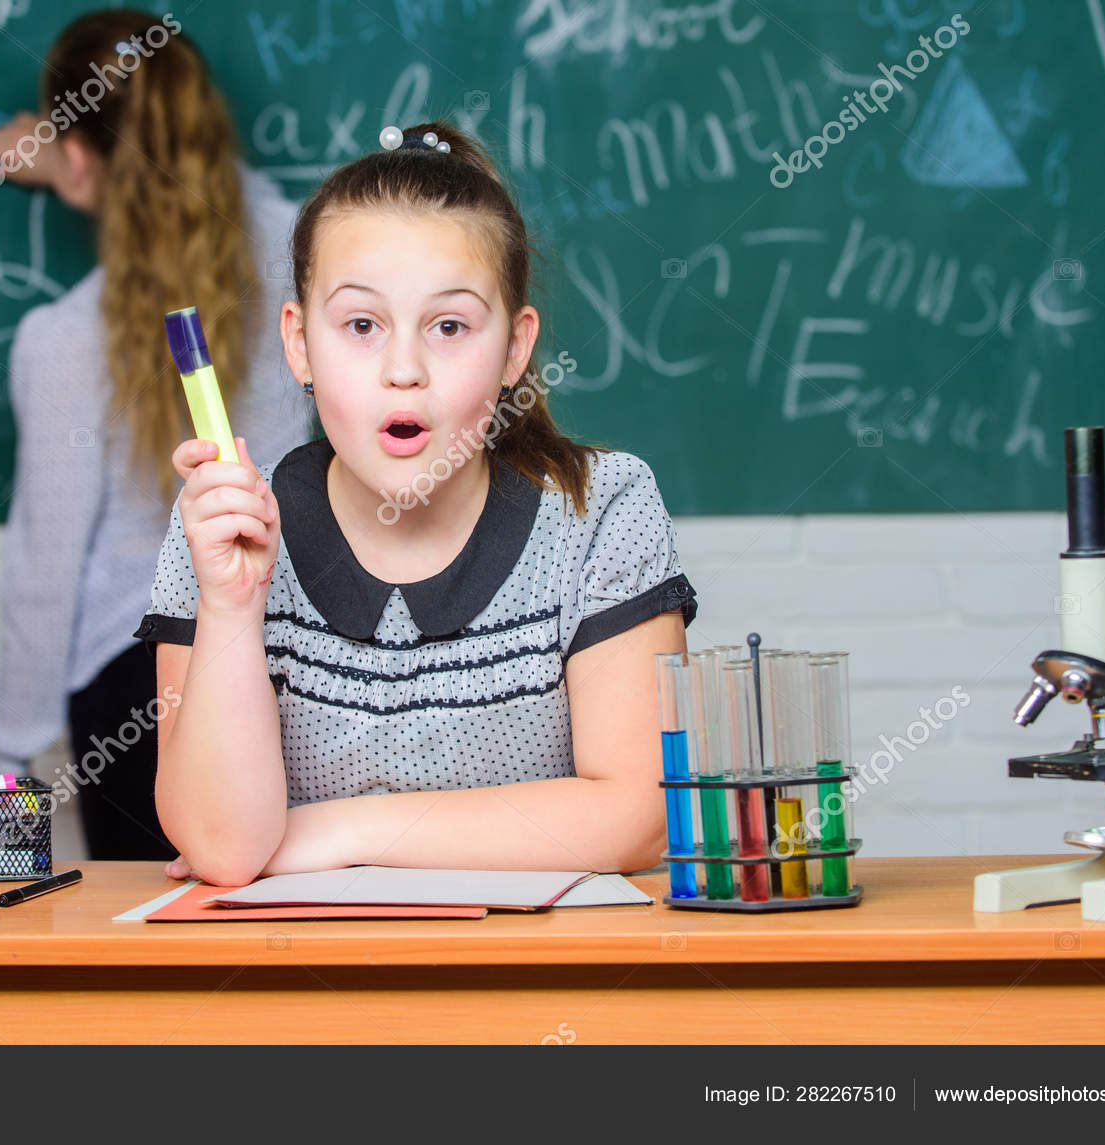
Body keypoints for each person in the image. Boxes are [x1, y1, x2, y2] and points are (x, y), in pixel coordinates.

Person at [134, 122, 699, 886]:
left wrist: (342, 831)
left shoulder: (601, 509)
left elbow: (640, 814)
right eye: (362, 325)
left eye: (451, 326)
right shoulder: (221, 523)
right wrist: (232, 604)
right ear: (299, 343)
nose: (405, 369)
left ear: (514, 349)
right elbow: (225, 848)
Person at [0, 10, 313, 860]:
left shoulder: (63, 340)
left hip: (132, 698)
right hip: (296, 658)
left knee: (151, 963)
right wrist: (76, 154)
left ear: (82, 158)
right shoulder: (318, 259)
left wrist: (9, 753)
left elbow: (45, 573)